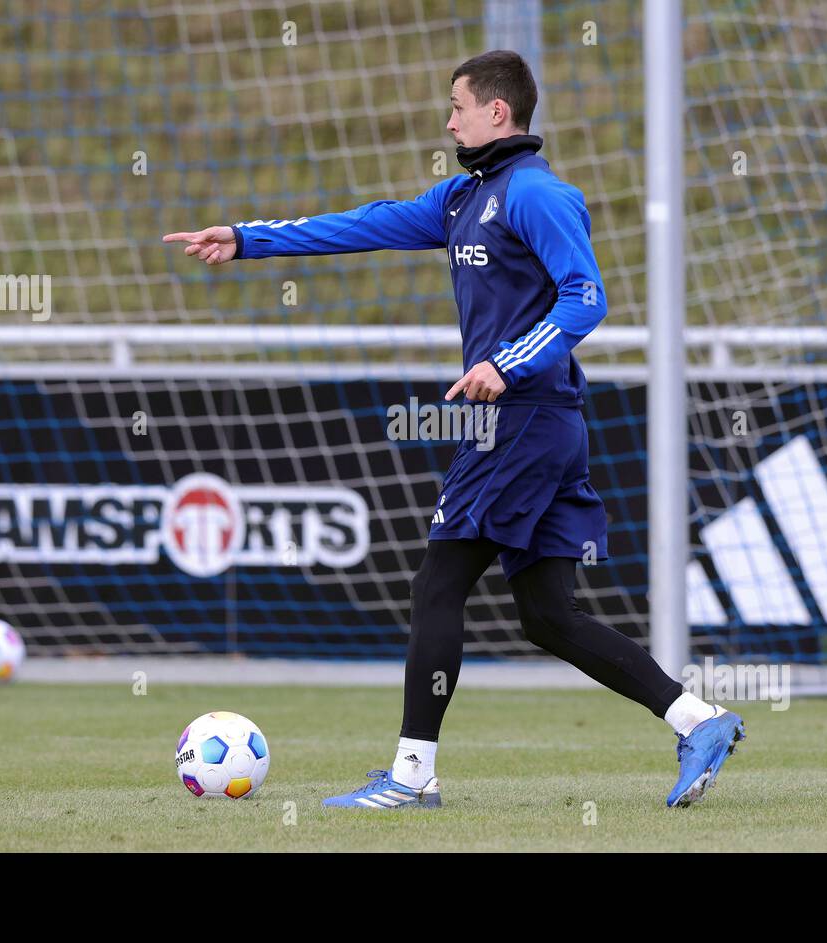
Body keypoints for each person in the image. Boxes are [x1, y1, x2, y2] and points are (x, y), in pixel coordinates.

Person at [163, 50, 745, 810]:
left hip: (523, 422)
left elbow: (587, 295)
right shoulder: (461, 198)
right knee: (547, 615)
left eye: (457, 106)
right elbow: (365, 224)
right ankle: (699, 719)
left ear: (496, 111)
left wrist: (506, 363)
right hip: (535, 425)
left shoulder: (539, 195)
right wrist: (250, 239)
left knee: (438, 583)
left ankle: (410, 775)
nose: (449, 120)